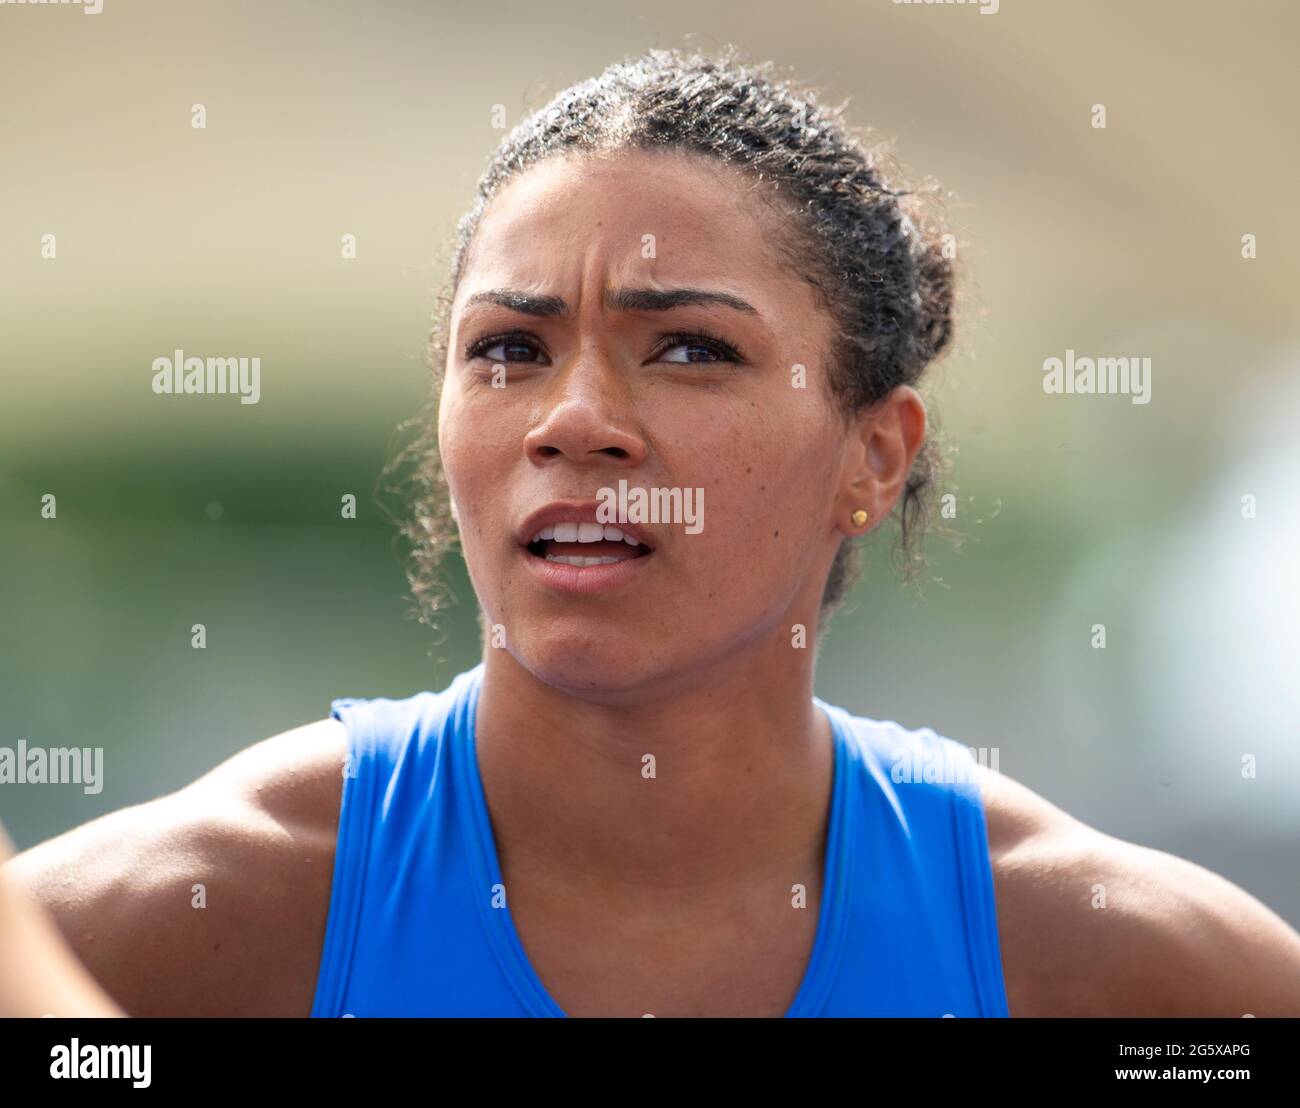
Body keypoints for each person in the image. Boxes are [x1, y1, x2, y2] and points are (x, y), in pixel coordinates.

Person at [5, 47, 1300, 1018]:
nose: (575, 422)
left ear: (876, 455)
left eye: (690, 347)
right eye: (509, 348)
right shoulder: (179, 924)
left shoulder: (1115, 969)